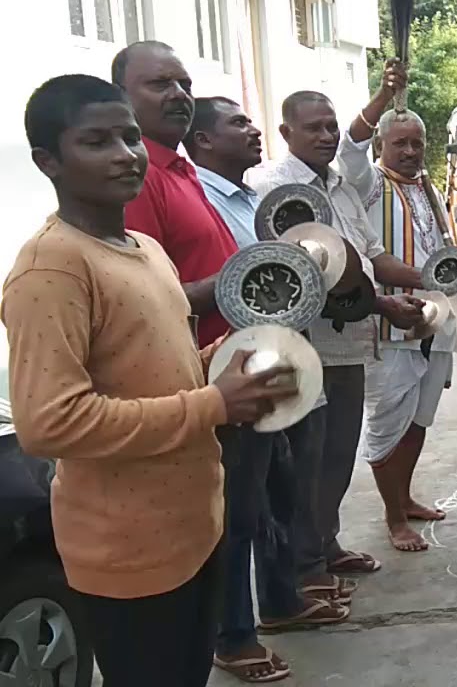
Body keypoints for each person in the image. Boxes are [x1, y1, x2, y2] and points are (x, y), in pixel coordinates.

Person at [5, 73, 295, 687]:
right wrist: (214, 402)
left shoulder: (143, 247)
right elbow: (48, 422)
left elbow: (157, 368)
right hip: (126, 551)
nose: (126, 155)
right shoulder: (50, 268)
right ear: (47, 160)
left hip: (194, 528)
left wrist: (230, 358)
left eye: (130, 138)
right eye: (97, 142)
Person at [187, 96, 349, 682]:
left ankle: (279, 602)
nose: (252, 131)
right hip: (228, 366)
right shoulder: (199, 197)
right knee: (240, 510)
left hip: (275, 358)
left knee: (279, 489)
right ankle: (232, 635)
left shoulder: (251, 198)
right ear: (203, 139)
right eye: (238, 124)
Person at [247, 64, 427, 587]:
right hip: (307, 347)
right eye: (314, 128)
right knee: (304, 464)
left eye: (330, 126)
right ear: (286, 134)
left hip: (350, 346)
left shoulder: (342, 187)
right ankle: (300, 572)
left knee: (336, 458)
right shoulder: (272, 187)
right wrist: (381, 307)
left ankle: (324, 544)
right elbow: (296, 274)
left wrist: (429, 276)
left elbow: (372, 255)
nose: (326, 136)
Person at [354, 104, 457, 552]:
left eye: (417, 143)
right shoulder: (369, 183)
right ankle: (394, 517)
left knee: (419, 418)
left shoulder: (427, 186)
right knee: (387, 421)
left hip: (436, 320)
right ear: (380, 145)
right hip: (389, 326)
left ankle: (405, 497)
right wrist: (381, 97)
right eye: (400, 143)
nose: (411, 151)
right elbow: (349, 152)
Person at [112, 41, 237, 349]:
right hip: (187, 377)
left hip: (226, 367)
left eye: (185, 85)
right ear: (120, 95)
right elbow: (145, 301)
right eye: (160, 84)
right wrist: (240, 276)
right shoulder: (134, 177)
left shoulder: (180, 168)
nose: (179, 94)